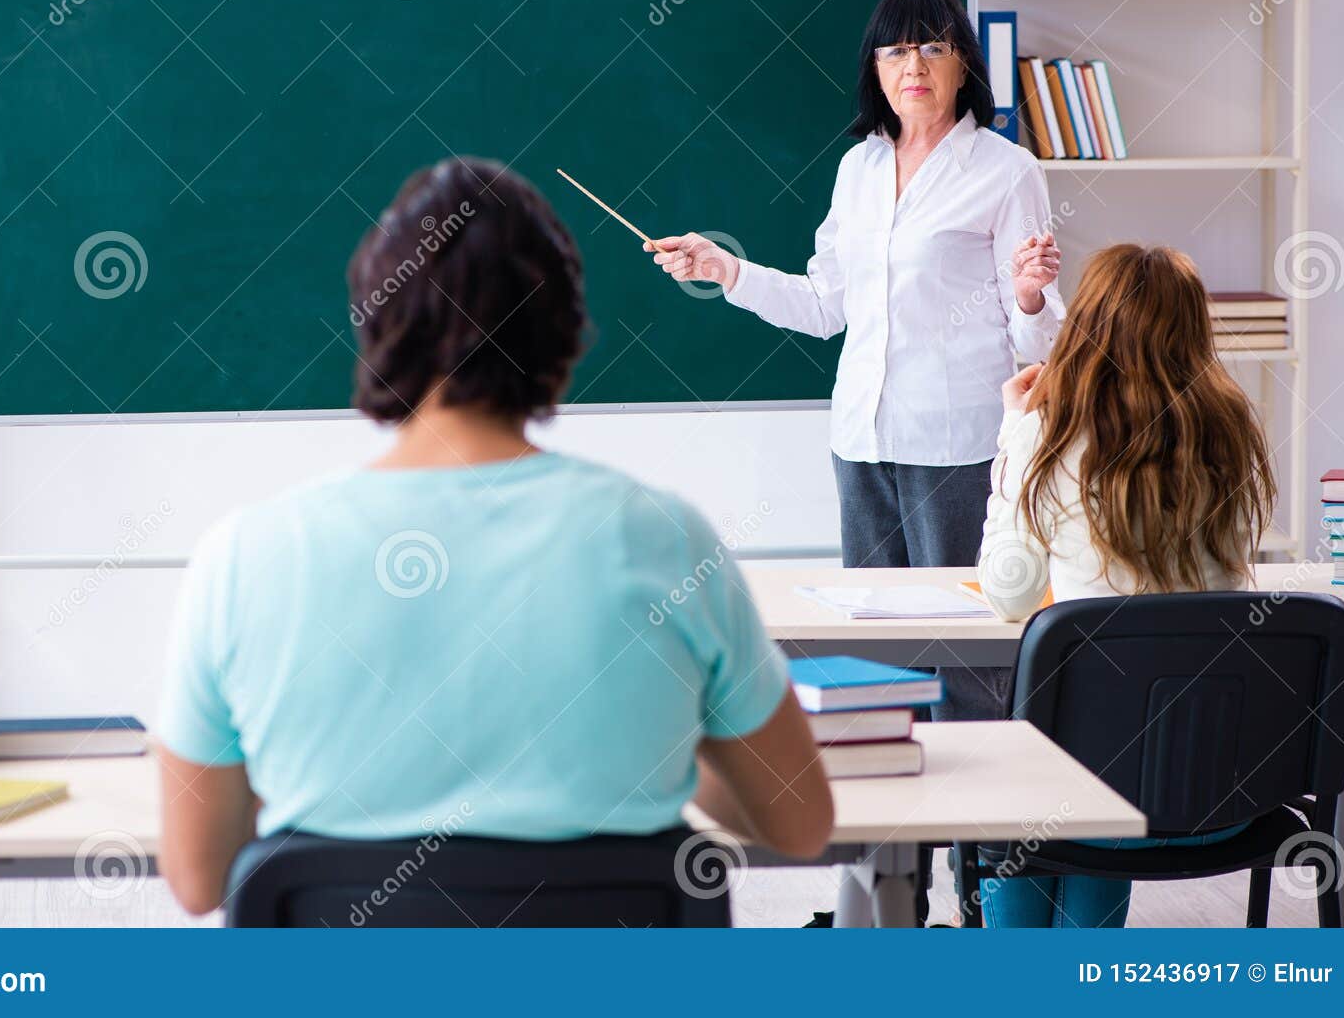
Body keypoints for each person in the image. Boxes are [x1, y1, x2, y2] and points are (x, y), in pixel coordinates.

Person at [154, 157, 834, 916]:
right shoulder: (664, 540)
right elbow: (800, 823)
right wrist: (670, 738)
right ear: (563, 330)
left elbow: (196, 877)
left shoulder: (246, 556)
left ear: (377, 318)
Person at [645, 0, 1063, 721]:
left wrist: (1031, 297)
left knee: (967, 655)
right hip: (861, 441)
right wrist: (725, 269)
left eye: (935, 48)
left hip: (957, 446)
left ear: (964, 65)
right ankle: (891, 830)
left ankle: (979, 838)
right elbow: (821, 305)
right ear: (875, 69)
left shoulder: (1005, 172)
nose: (916, 65)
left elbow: (1034, 342)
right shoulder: (860, 168)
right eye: (898, 50)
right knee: (874, 663)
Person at [976, 243, 1275, 927]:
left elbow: (1009, 598)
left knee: (1024, 784)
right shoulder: (1231, 436)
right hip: (1215, 795)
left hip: (1087, 797)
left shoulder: (1051, 436)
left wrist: (1014, 439)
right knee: (1111, 764)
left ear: (1084, 328)